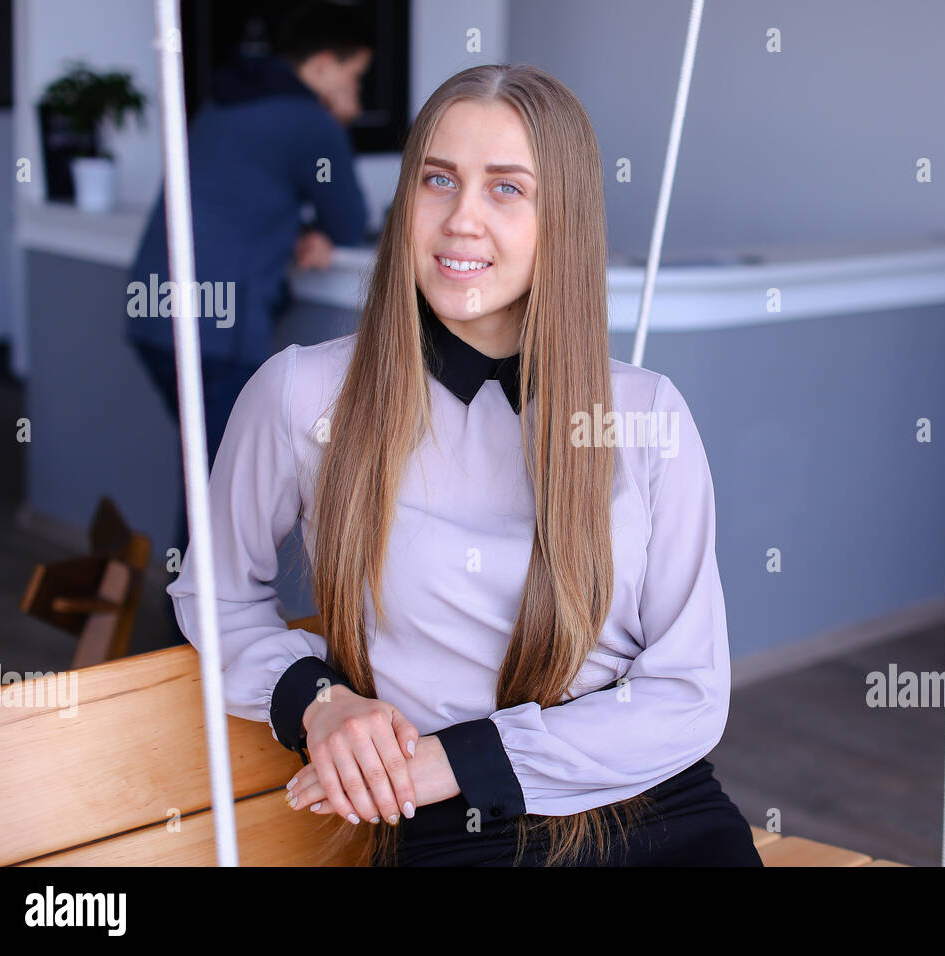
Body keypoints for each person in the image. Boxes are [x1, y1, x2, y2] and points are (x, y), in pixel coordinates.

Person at [167, 63, 763, 867]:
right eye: (438, 180)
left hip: (661, 812)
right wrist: (315, 700)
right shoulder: (298, 394)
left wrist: (453, 760)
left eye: (506, 188)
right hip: (457, 837)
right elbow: (214, 595)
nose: (461, 221)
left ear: (563, 219)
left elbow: (689, 691)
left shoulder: (647, 413)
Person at [128, 2, 372, 644]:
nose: (354, 93)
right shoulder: (309, 122)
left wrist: (295, 226)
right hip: (214, 331)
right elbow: (351, 220)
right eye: (353, 77)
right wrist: (316, 219)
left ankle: (190, 631)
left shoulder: (228, 102)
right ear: (325, 65)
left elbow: (241, 197)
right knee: (219, 487)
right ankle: (198, 641)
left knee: (207, 474)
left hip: (156, 318)